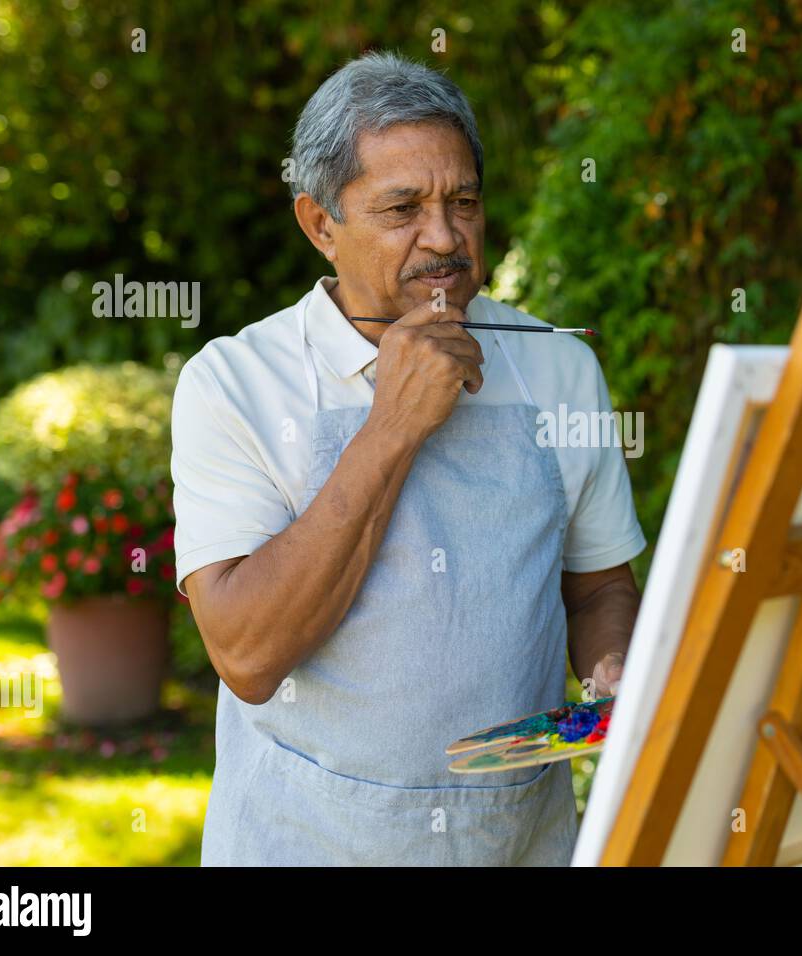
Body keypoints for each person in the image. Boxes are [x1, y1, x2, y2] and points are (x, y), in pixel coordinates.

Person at [171, 51, 645, 865]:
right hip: (306, 843)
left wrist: (615, 668)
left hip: (516, 840)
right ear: (321, 225)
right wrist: (393, 426)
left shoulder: (559, 367)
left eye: (464, 202)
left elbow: (599, 585)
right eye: (403, 208)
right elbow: (246, 656)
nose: (445, 238)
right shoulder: (234, 385)